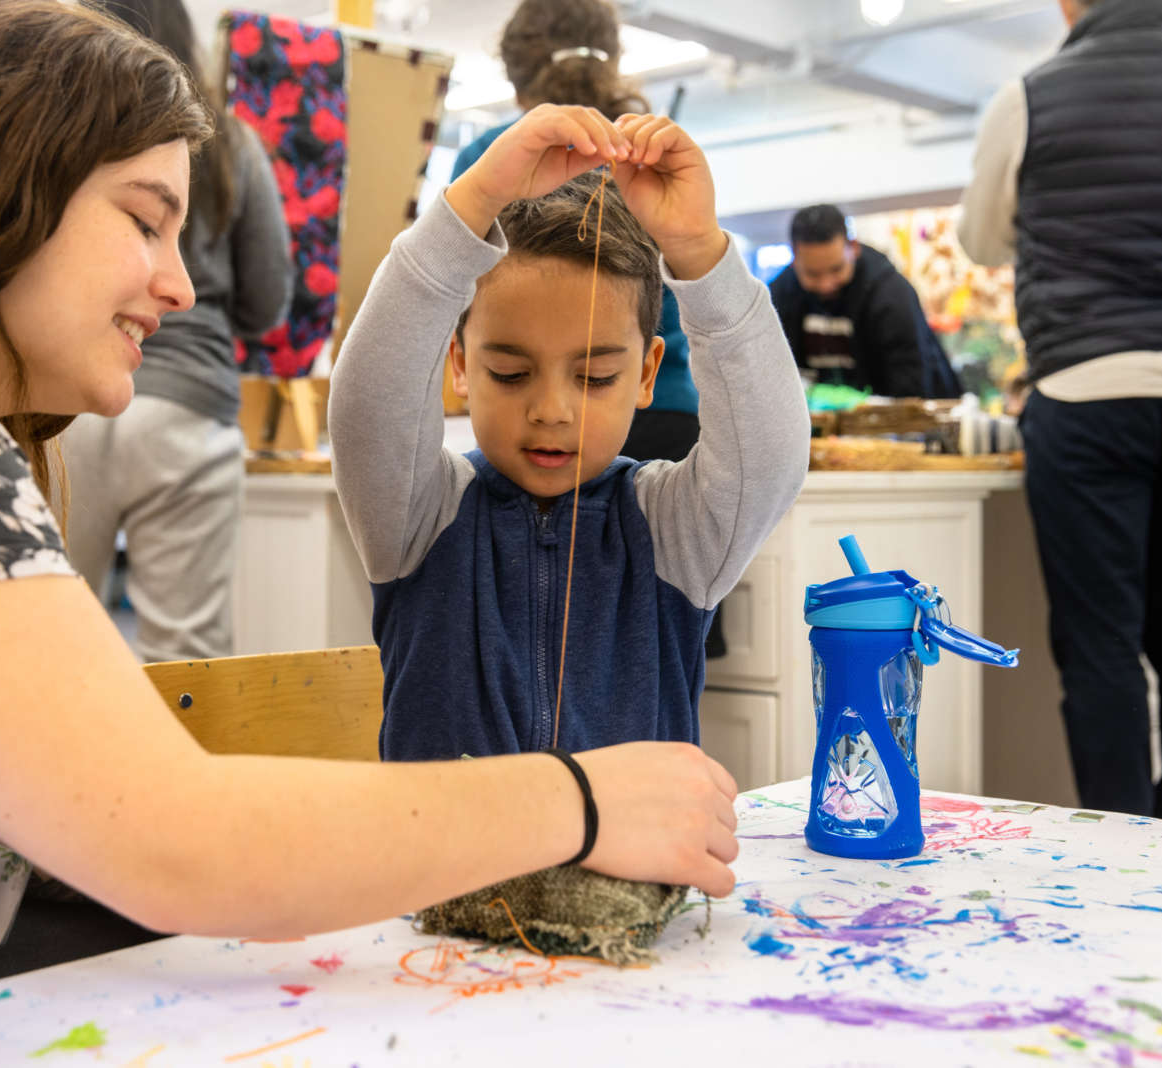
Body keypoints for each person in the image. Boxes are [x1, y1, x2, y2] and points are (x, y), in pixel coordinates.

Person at [0, 1, 742, 1057]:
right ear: (0, 193)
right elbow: (174, 837)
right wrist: (581, 799)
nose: (177, 284)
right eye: (145, 221)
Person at [330, 104, 808, 761]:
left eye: (595, 378)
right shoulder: (419, 514)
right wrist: (474, 200)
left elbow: (772, 454)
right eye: (511, 371)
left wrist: (699, 253)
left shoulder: (675, 531)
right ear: (462, 365)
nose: (552, 410)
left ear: (646, 375)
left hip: (630, 867)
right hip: (454, 864)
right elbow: (367, 403)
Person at [958, 0, 1162, 822]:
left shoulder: (1029, 97)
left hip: (1087, 396)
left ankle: (1123, 853)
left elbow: (983, 240)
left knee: (1101, 649)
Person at [61, 0, 291, 663]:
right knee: (187, 662)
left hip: (69, 407)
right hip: (189, 406)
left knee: (54, 640)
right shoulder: (232, 144)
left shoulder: (66, 134)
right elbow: (268, 299)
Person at [450, 0, 701, 465]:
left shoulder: (488, 157)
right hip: (664, 409)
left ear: (517, 75)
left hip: (538, 413)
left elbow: (446, 288)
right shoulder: (656, 154)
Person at [768, 204, 962, 399]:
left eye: (836, 270)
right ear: (794, 259)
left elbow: (912, 386)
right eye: (812, 274)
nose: (825, 284)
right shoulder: (777, 300)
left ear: (853, 248)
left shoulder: (891, 294)